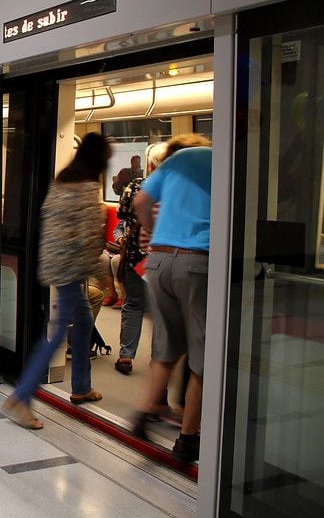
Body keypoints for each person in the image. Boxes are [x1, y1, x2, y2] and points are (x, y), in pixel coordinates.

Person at [2, 133, 112, 430]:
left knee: (83, 321)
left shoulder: (61, 181)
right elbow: (89, 239)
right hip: (71, 268)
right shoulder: (88, 189)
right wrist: (104, 276)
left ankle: (81, 386)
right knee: (57, 333)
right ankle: (21, 397)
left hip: (53, 262)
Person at [132, 133, 212, 463]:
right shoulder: (222, 160)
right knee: (203, 355)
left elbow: (141, 202)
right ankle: (188, 439)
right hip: (199, 261)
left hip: (159, 259)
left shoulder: (177, 160)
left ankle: (144, 414)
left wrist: (157, 234)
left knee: (166, 345)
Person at [112, 142, 167, 375]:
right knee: (161, 311)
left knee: (133, 304)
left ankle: (126, 356)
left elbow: (122, 213)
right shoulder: (177, 190)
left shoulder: (136, 185)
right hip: (165, 257)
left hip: (137, 256)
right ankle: (159, 360)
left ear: (150, 164)